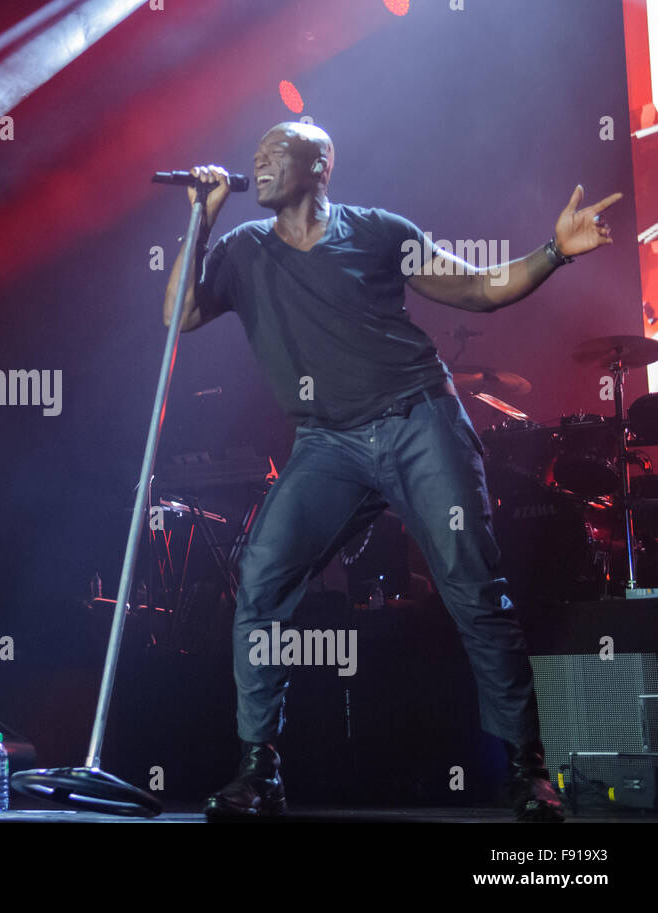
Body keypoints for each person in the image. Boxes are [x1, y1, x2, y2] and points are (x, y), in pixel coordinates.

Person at [166, 121, 621, 822]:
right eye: (252, 154)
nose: (255, 163)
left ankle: (528, 769)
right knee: (260, 578)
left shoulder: (377, 231)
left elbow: (477, 291)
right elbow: (179, 313)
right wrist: (201, 217)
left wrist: (556, 249)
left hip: (418, 419)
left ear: (320, 164)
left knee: (473, 587)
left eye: (273, 153)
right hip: (327, 443)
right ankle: (260, 768)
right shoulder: (241, 249)